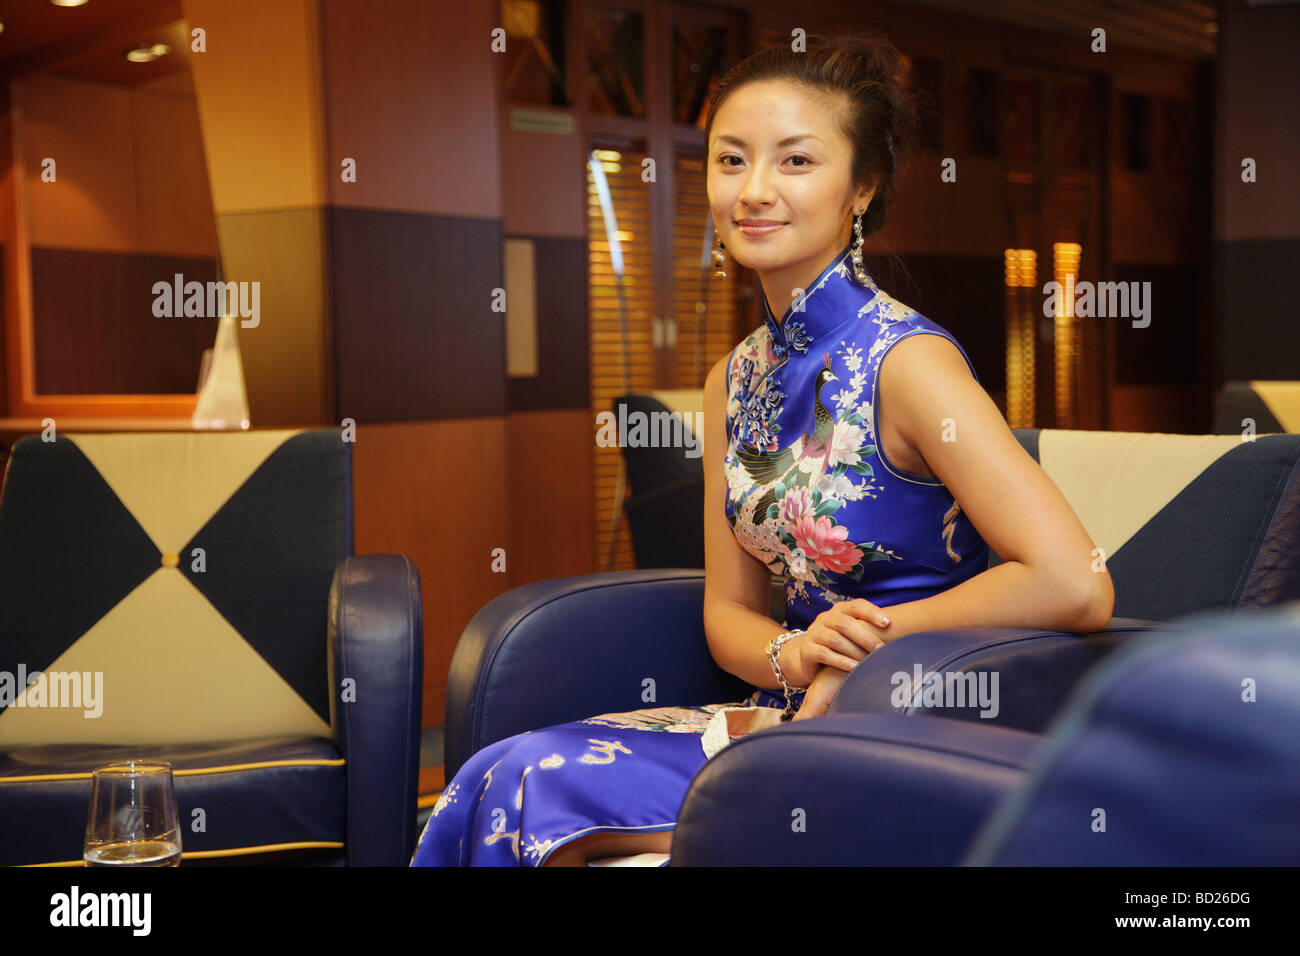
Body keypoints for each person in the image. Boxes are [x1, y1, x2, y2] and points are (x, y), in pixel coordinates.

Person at [410, 30, 1113, 868]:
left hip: (918, 714)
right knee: (504, 772)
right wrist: (795, 651)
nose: (754, 191)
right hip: (793, 705)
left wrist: (870, 642)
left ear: (864, 187)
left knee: (532, 785)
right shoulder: (732, 379)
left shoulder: (908, 364)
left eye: (796, 162)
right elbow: (727, 615)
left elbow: (1076, 581)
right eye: (731, 160)